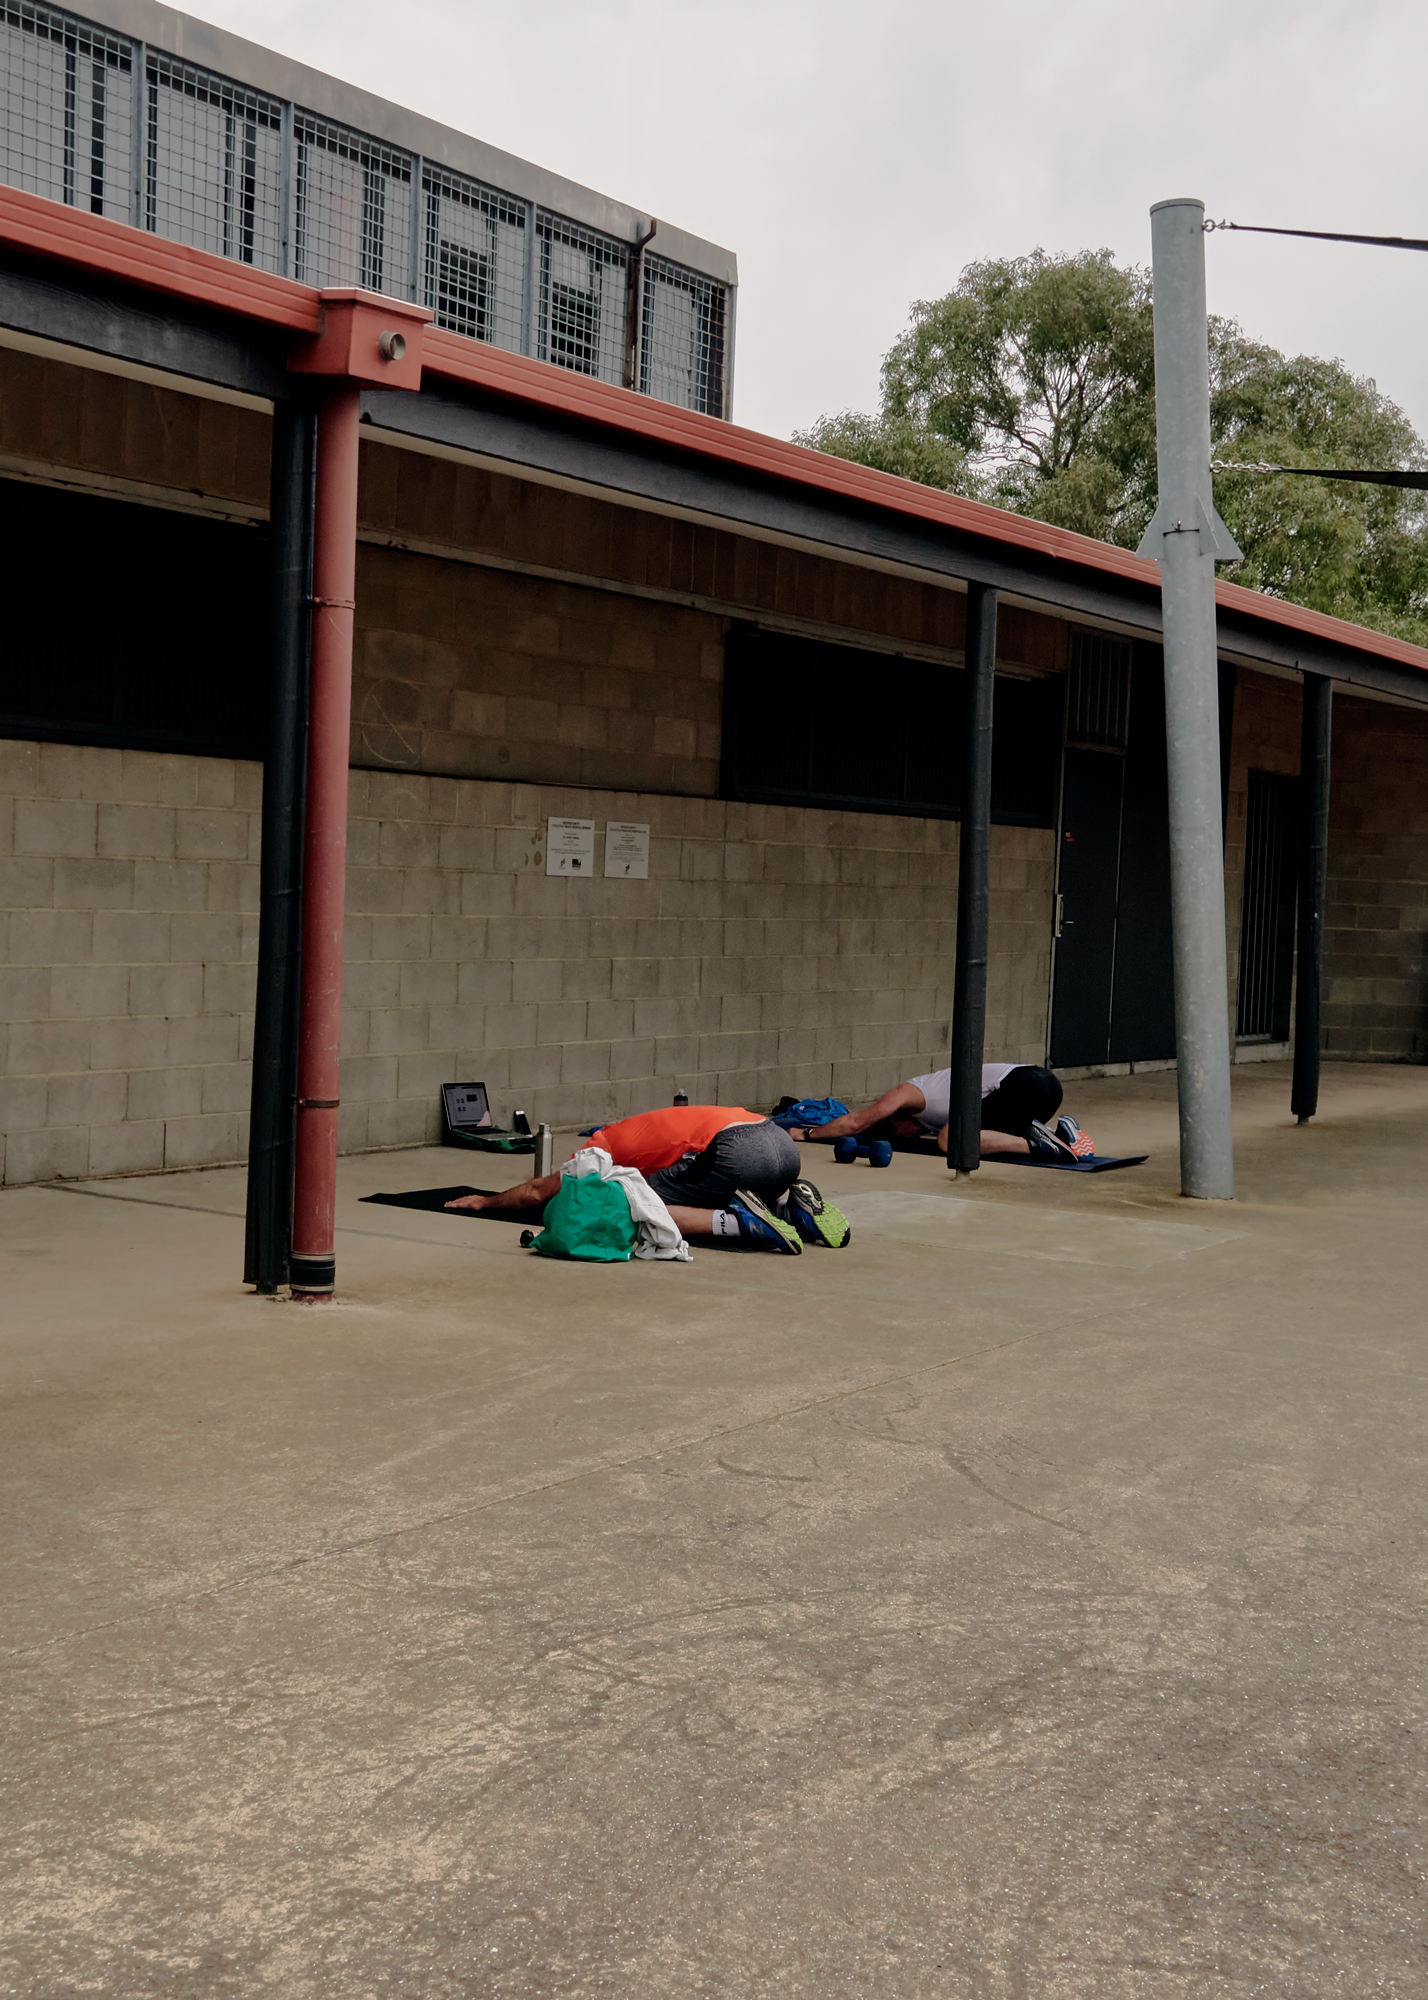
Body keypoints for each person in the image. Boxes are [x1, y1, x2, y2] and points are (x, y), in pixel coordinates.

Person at [445, 1103, 851, 1252]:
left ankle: (741, 1224)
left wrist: (485, 1202)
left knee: (633, 1205)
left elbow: (539, 1193)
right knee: (696, 1184)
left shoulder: (601, 1147)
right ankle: (792, 1209)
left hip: (736, 1151)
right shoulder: (643, 1129)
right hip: (780, 1145)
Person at [786, 1063, 1091, 1160]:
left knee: (950, 1141)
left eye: (892, 1130)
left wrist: (806, 1133)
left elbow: (856, 1122)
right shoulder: (922, 1119)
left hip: (1023, 1085)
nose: (899, 1136)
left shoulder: (905, 1095)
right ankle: (1058, 1134)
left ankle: (1041, 1146)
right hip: (1044, 1087)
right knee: (980, 1132)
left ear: (898, 1117)